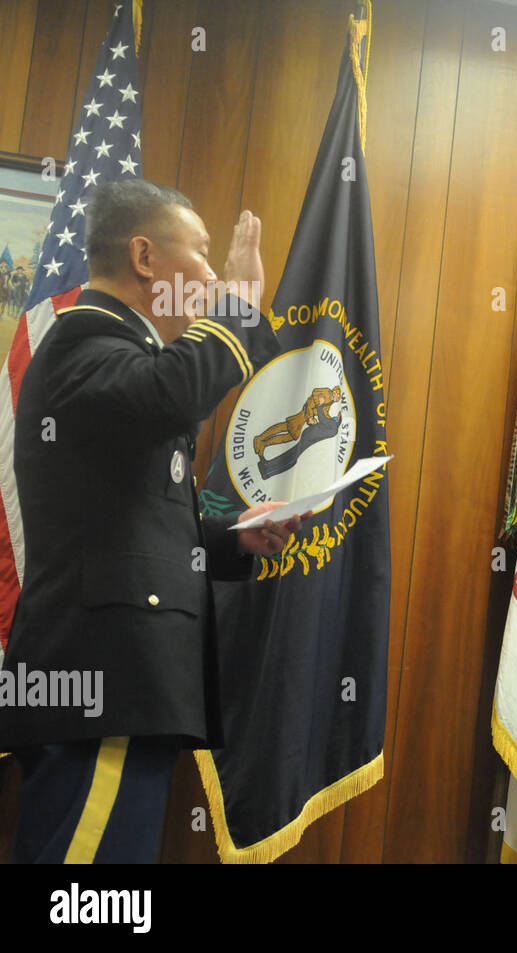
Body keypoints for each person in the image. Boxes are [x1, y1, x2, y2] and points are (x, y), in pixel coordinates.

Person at [0, 179, 304, 863]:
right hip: (105, 684)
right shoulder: (83, 343)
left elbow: (132, 526)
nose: (211, 271)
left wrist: (233, 538)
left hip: (124, 687)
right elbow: (171, 391)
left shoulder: (117, 356)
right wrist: (237, 304)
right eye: (198, 252)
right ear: (144, 256)